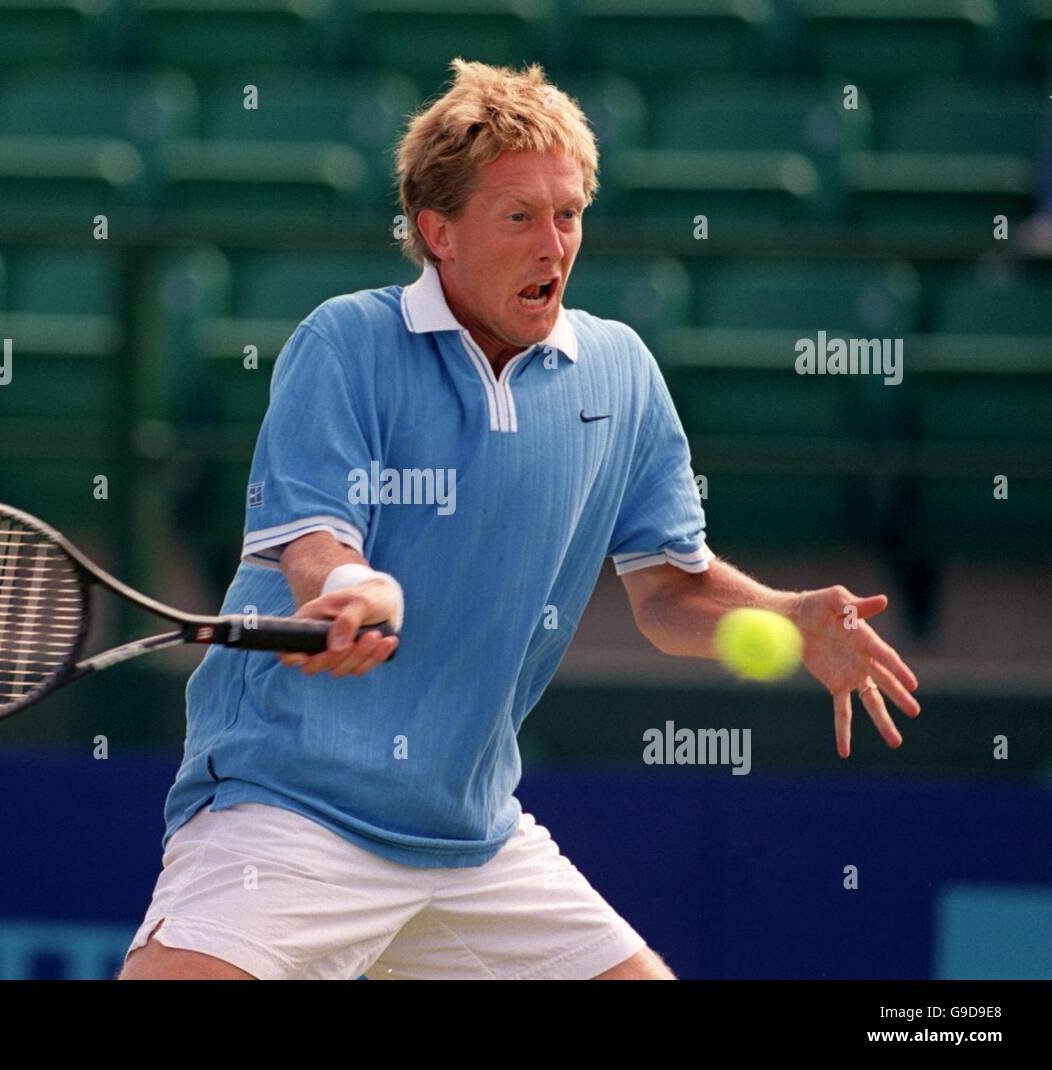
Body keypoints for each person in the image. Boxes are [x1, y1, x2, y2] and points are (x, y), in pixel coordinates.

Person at [121, 59, 920, 980]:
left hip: (471, 835)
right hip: (291, 809)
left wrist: (785, 618)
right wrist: (351, 588)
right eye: (520, 218)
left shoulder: (619, 374)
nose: (554, 245)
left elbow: (667, 591)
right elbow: (314, 536)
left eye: (569, 213)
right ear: (438, 233)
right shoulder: (344, 342)